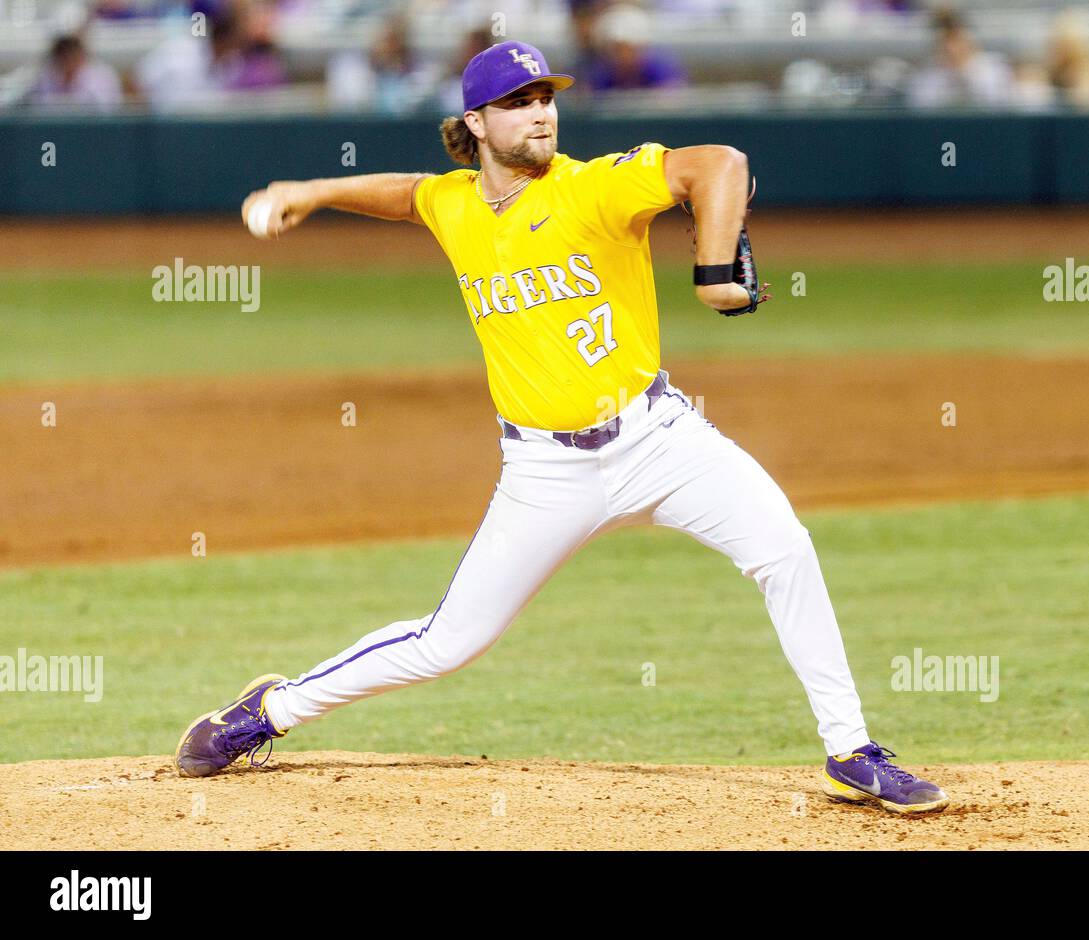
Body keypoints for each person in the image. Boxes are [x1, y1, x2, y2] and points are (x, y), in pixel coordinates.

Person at [174, 40, 950, 815]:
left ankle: (850, 751)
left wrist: (714, 270)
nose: (540, 111)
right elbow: (406, 193)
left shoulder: (595, 188)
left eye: (545, 96)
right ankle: (267, 712)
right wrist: (311, 191)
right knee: (448, 643)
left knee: (785, 551)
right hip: (546, 473)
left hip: (662, 441)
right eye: (518, 102)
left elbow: (719, 162)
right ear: (476, 122)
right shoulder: (457, 204)